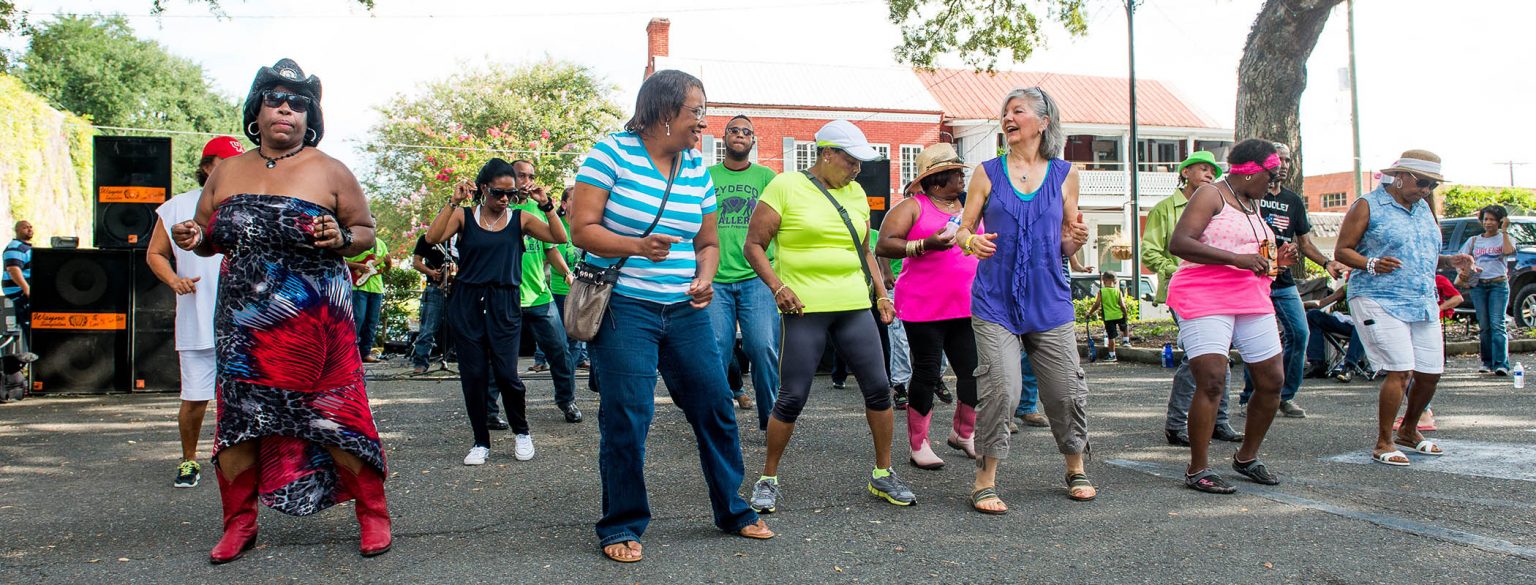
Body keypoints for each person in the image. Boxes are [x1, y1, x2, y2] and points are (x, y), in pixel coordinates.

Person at [171, 58, 390, 561]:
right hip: (243, 327)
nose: (285, 108)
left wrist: (342, 235)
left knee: (335, 418)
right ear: (258, 109)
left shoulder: (331, 170)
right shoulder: (227, 170)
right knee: (240, 423)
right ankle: (239, 524)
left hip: (318, 328)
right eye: (274, 99)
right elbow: (208, 238)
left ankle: (374, 515)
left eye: (297, 102)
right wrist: (196, 236)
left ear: (310, 116)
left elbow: (365, 234)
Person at [571, 70, 772, 563]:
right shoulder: (611, 154)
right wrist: (635, 245)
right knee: (628, 416)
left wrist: (705, 277)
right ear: (663, 112)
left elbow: (707, 242)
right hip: (624, 308)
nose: (704, 121)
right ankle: (621, 523)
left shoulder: (696, 170)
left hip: (685, 310)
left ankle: (732, 509)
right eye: (695, 110)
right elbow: (581, 229)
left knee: (716, 406)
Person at [743, 119, 914, 513]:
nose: (857, 170)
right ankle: (768, 478)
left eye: (860, 163)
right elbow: (754, 245)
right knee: (792, 396)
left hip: (854, 306)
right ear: (827, 154)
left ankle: (883, 473)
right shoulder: (785, 186)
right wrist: (778, 288)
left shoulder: (856, 194)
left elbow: (865, 250)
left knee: (878, 387)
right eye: (851, 161)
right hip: (805, 308)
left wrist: (882, 294)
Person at [954, 86, 1094, 514]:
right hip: (995, 300)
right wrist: (970, 242)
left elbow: (1066, 244)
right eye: (1005, 113)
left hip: (1049, 299)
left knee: (1065, 390)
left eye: (1017, 111)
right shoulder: (986, 171)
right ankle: (985, 479)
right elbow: (962, 231)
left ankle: (1076, 468)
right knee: (1002, 390)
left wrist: (1076, 241)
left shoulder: (1066, 173)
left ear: (1043, 121)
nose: (1008, 118)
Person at [1165, 138, 1297, 494]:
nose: (1274, 183)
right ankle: (1198, 468)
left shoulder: (1253, 205)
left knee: (1271, 381)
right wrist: (1235, 259)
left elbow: (1253, 258)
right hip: (1204, 296)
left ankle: (1247, 457)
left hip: (1251, 298)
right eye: (1271, 175)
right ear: (1251, 171)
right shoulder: (1211, 195)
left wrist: (1276, 263)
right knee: (1211, 380)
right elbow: (1179, 242)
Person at [1333, 149, 1475, 467]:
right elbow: (1343, 250)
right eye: (1422, 182)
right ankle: (1384, 441)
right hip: (1376, 296)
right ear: (1401, 176)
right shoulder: (1368, 204)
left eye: (1432, 185)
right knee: (1401, 369)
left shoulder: (1424, 208)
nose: (1426, 190)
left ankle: (1410, 430)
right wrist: (1370, 263)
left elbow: (1420, 251)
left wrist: (1451, 260)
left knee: (1430, 373)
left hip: (1421, 298)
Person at [425, 158, 567, 465]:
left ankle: (522, 431)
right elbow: (433, 238)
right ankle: (481, 441)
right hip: (468, 301)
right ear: (483, 189)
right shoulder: (464, 216)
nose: (505, 199)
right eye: (498, 193)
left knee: (506, 374)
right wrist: (453, 201)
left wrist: (546, 205)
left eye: (511, 194)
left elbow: (559, 237)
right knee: (474, 375)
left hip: (504, 301)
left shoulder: (520, 219)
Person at [147, 135, 244, 489]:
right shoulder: (177, 206)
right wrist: (174, 280)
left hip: (245, 323)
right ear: (207, 167)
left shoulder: (247, 206)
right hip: (198, 320)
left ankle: (246, 463)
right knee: (195, 399)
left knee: (246, 397)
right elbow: (155, 253)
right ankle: (189, 460)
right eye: (224, 162)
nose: (231, 170)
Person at [875, 142, 977, 470]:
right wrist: (924, 244)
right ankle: (919, 444)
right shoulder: (913, 207)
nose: (962, 178)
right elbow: (885, 244)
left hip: (966, 304)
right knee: (928, 371)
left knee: (974, 372)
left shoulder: (971, 207)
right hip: (924, 306)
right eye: (954, 174)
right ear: (935, 180)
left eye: (962, 172)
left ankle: (963, 433)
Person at [1236, 143, 1349, 419]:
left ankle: (1284, 396)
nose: (1284, 165)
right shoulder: (1247, 196)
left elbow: (1305, 243)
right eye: (1279, 160)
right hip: (1253, 278)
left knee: (1300, 333)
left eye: (1288, 160)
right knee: (1256, 340)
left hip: (1283, 279)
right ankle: (1250, 397)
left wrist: (1326, 262)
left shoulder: (1293, 201)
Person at [1142, 151, 1243, 446]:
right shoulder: (1165, 209)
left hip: (1218, 289)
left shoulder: (1220, 205)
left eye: (1213, 170)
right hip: (1184, 289)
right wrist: (1180, 267)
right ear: (1185, 173)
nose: (1210, 174)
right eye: (1202, 169)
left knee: (1220, 355)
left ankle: (1218, 421)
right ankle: (1176, 423)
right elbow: (1150, 251)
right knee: (1199, 356)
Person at [705, 114, 781, 425]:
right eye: (733, 130)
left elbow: (781, 224)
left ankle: (771, 421)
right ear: (724, 138)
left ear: (753, 141)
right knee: (716, 351)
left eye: (746, 132)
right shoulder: (706, 176)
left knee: (762, 347)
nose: (740, 135)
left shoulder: (767, 177)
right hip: (716, 279)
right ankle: (718, 422)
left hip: (756, 278)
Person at [507, 160, 582, 424]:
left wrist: (567, 274)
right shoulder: (500, 210)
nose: (526, 180)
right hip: (508, 297)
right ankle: (491, 411)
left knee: (560, 352)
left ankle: (567, 401)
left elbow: (551, 248)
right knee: (500, 356)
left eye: (530, 176)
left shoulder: (537, 210)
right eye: (520, 175)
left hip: (540, 296)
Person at [535, 189, 590, 372]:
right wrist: (567, 274)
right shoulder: (558, 227)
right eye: (575, 199)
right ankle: (542, 359)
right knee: (555, 331)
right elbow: (550, 253)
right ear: (564, 204)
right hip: (561, 288)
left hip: (582, 288)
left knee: (576, 332)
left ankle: (572, 368)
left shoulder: (585, 226)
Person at [1458, 204, 1515, 375]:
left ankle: (1501, 364)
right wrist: (1467, 272)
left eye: (1492, 219)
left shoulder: (1505, 238)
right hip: (1479, 286)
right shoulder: (1474, 240)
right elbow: (1461, 260)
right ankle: (1486, 362)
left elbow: (1508, 251)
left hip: (1498, 285)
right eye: (1486, 219)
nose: (1488, 223)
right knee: (1484, 326)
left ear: (1500, 221)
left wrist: (1504, 230)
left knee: (1497, 324)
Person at [1302, 282, 1368, 382]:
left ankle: (1349, 367)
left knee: (1362, 323)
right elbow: (1321, 303)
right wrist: (1298, 304)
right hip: (1351, 324)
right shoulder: (1351, 286)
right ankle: (1317, 364)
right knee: (1313, 315)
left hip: (1372, 326)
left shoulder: (1388, 287)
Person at [344, 221, 389, 363]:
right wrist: (358, 266)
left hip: (376, 288)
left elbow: (383, 270)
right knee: (358, 319)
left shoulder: (380, 243)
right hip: (358, 287)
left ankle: (365, 353)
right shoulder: (355, 241)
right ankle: (349, 353)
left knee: (372, 322)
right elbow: (341, 261)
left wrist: (388, 264)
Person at [408, 233, 453, 374]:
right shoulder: (428, 238)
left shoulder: (460, 236)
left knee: (464, 326)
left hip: (459, 288)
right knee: (428, 327)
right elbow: (416, 262)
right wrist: (432, 272)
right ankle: (420, 362)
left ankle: (463, 361)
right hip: (435, 287)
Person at [1087, 272, 1128, 361]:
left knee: (1111, 337)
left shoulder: (1102, 291)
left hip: (1108, 317)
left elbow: (1097, 304)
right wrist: (1125, 314)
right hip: (1119, 314)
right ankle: (1126, 341)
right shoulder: (1117, 291)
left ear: (1103, 281)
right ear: (1115, 281)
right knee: (1124, 326)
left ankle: (1112, 355)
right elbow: (1122, 305)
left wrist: (1090, 313)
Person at [2, 220, 31, 340]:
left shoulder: (25, 247)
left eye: (30, 227)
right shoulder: (15, 247)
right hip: (20, 294)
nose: (29, 229)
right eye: (25, 228)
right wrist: (26, 289)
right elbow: (13, 269)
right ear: (17, 230)